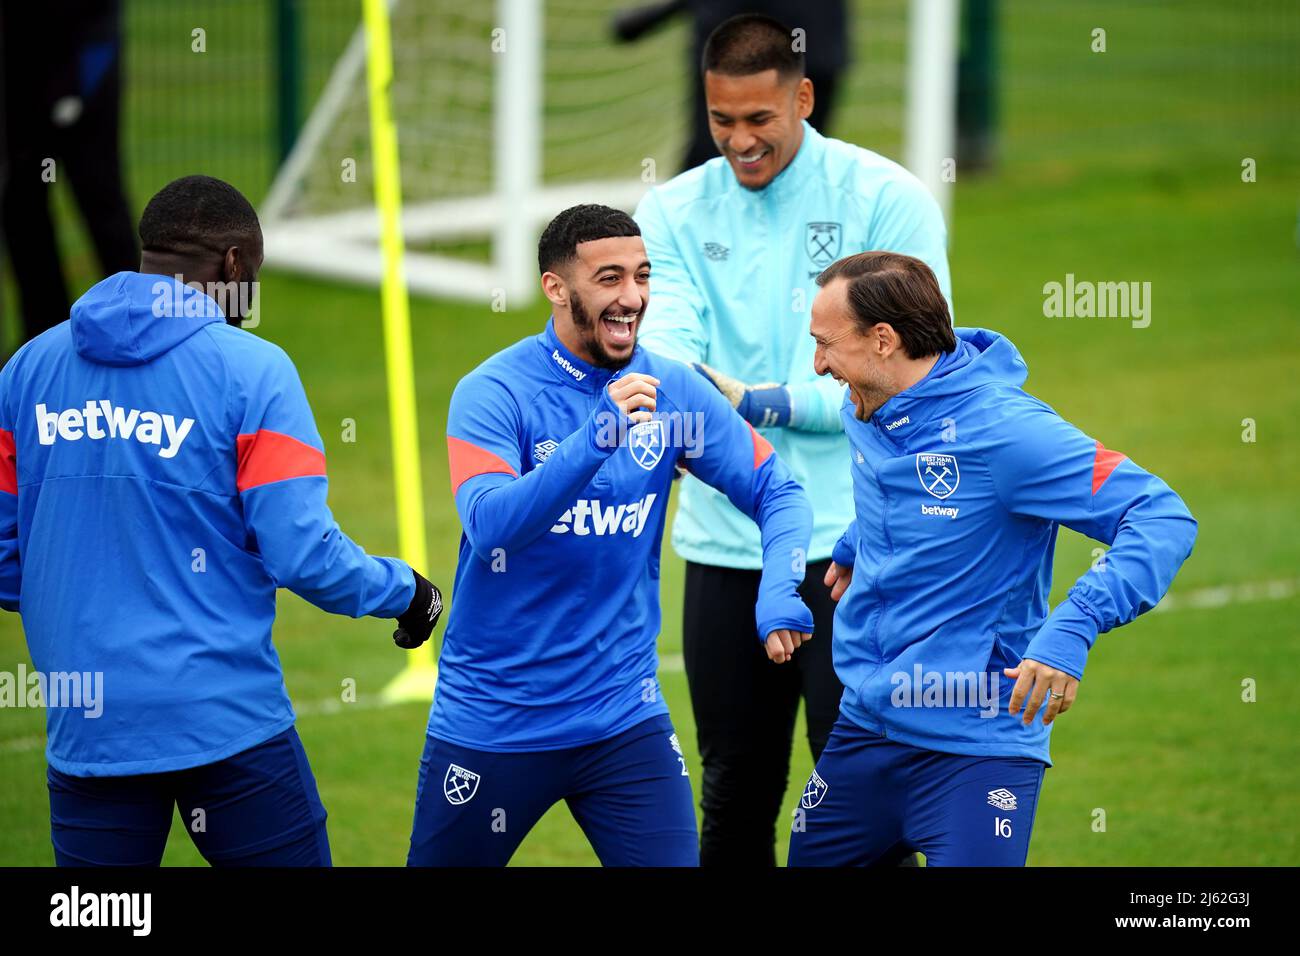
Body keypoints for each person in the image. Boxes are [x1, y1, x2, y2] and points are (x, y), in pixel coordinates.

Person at [0, 174, 442, 867]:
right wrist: (408, 591)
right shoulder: (254, 371)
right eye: (254, 277)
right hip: (228, 727)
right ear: (233, 266)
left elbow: (5, 558)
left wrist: (85, 594)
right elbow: (302, 553)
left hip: (89, 728)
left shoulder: (29, 368)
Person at [633, 12, 950, 866]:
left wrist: (764, 402)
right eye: (720, 121)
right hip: (728, 545)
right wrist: (729, 399)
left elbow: (909, 372)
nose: (739, 142)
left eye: (759, 120)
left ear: (803, 97)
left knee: (857, 804)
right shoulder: (665, 213)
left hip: (859, 545)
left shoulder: (887, 200)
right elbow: (667, 358)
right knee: (733, 789)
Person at [406, 204, 813, 867]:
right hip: (495, 720)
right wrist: (593, 440)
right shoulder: (494, 392)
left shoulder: (670, 387)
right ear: (557, 288)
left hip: (623, 720)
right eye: (610, 278)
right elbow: (490, 529)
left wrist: (778, 587)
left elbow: (779, 490)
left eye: (643, 276)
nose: (632, 298)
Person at [788, 252, 1197, 866]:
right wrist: (860, 539)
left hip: (975, 746)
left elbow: (1160, 516)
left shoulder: (1011, 434)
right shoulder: (870, 404)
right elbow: (912, 490)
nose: (817, 365)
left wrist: (1074, 625)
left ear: (882, 339)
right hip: (865, 729)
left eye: (825, 345)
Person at [1, 0, 138, 348]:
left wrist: (73, 90)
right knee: (20, 205)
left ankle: (136, 323)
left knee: (101, 198)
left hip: (84, 66)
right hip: (20, 76)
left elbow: (100, 18)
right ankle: (43, 339)